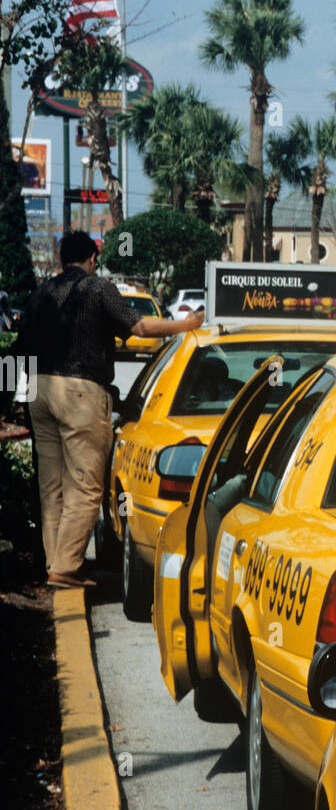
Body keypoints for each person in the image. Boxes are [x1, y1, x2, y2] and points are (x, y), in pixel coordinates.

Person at [18, 231, 205, 589]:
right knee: (86, 485)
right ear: (91, 258)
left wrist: (11, 395)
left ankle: (54, 562)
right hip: (80, 391)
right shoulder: (98, 288)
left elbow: (19, 347)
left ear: (60, 259)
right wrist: (186, 324)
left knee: (51, 485)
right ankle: (66, 567)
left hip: (38, 389)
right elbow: (139, 326)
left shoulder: (40, 293)